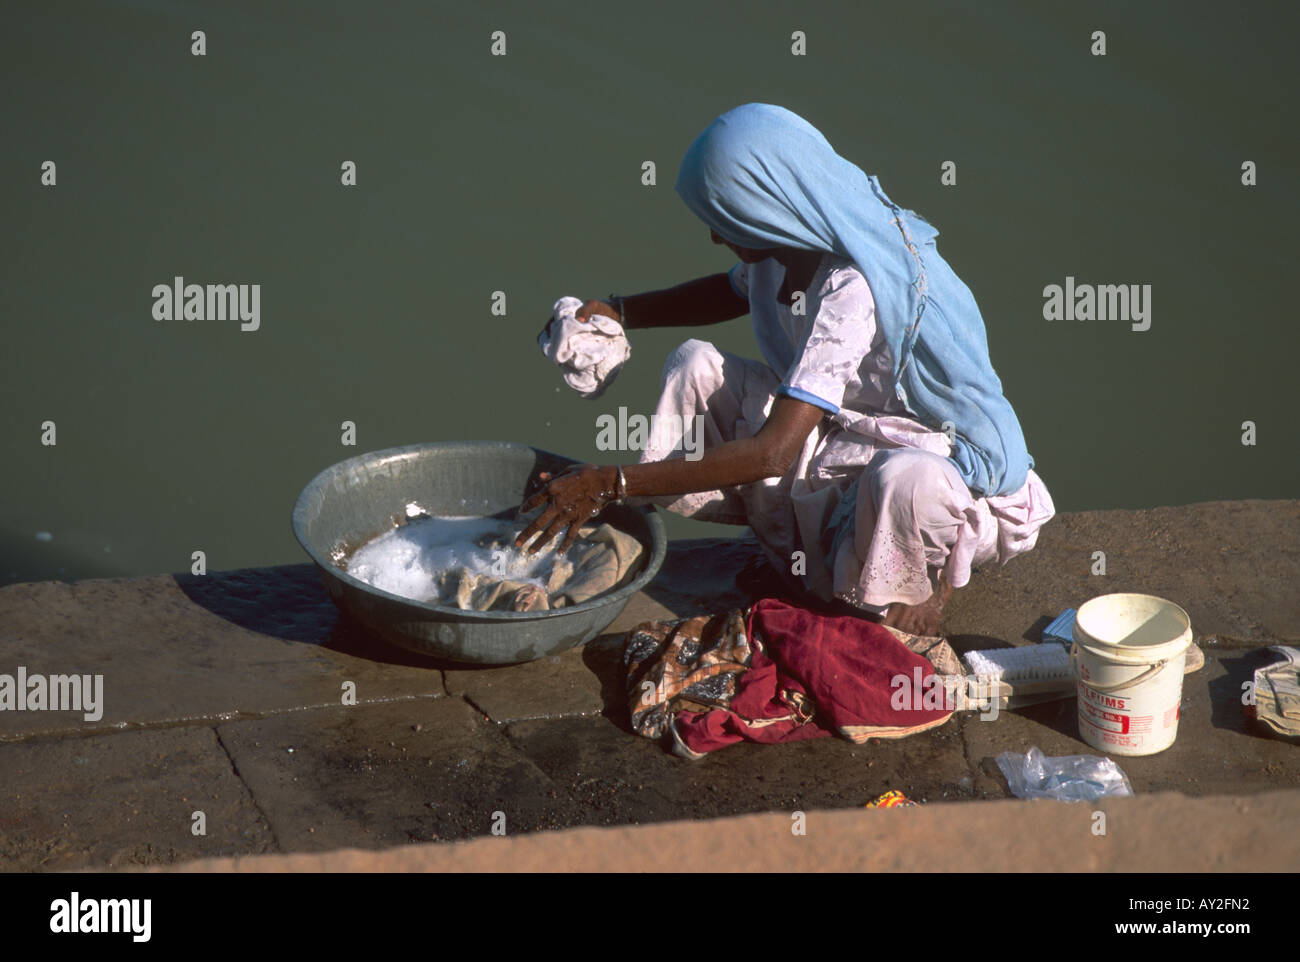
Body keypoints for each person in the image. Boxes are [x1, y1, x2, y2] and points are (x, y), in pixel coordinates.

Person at [518, 103, 1054, 636]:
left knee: (903, 483)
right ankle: (777, 552)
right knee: (695, 362)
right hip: (849, 434)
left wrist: (610, 482)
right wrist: (623, 311)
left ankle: (914, 587)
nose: (714, 235)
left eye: (723, 221)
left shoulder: (853, 285)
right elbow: (727, 292)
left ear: (762, 209)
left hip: (945, 475)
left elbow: (773, 451)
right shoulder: (789, 242)